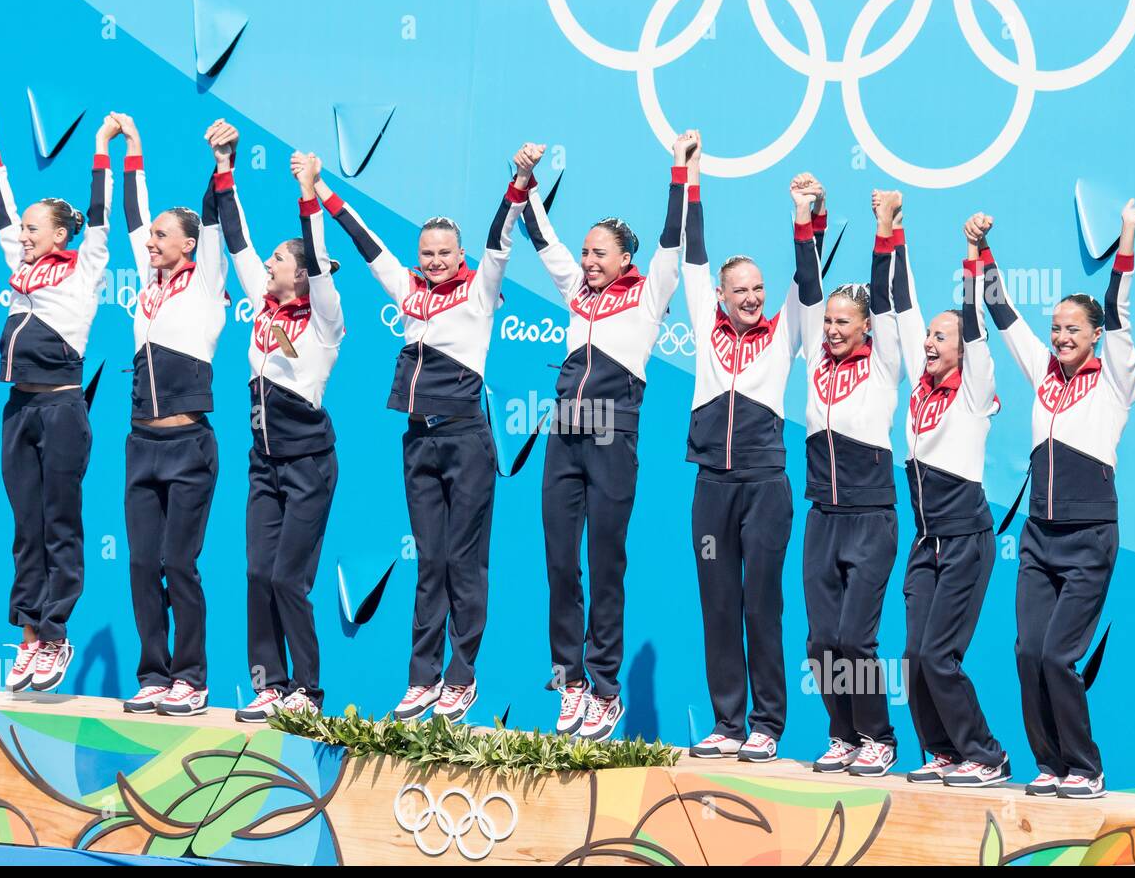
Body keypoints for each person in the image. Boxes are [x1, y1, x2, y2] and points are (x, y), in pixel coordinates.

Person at [317, 145, 535, 724]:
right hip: (417, 441)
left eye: (444, 253)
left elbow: (501, 241)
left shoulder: (480, 289)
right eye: (427, 253)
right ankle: (422, 680)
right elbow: (368, 246)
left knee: (465, 562)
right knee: (429, 562)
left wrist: (517, 181)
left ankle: (461, 677)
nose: (435, 261)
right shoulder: (408, 292)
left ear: (459, 255)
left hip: (466, 439)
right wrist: (320, 192)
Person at [982, 197, 1135, 799]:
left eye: (1071, 329)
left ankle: (1086, 766)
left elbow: (1118, 307)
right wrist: (980, 250)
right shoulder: (1042, 371)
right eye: (1055, 327)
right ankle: (1052, 764)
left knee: (1060, 657)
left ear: (1096, 338)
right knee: (1028, 652)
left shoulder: (1115, 378)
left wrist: (1127, 236)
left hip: (1088, 538)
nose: (1059, 337)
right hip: (1038, 537)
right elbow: (1001, 311)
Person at [518, 135, 691, 742]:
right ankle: (568, 682)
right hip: (565, 432)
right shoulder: (576, 293)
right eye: (587, 252)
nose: (588, 261)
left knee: (604, 562)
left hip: (614, 434)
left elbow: (673, 243)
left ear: (624, 259)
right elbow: (544, 242)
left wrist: (680, 171)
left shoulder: (647, 298)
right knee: (560, 560)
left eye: (600, 254)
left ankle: (605, 689)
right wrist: (526, 182)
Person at [203, 121, 345, 722]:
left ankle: (307, 693)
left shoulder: (324, 319)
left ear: (304, 271)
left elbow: (314, 253)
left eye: (281, 259)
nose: (269, 263)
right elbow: (236, 239)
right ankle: (269, 683)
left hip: (309, 463)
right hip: (263, 461)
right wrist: (224, 167)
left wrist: (309, 194)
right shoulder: (262, 304)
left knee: (289, 579)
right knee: (258, 573)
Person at [0, 106, 117, 694]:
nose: (24, 236)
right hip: (20, 411)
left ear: (60, 234)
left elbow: (103, 217)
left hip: (61, 410)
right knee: (25, 527)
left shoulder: (82, 269)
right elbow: (2, 208)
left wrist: (104, 147)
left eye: (36, 230)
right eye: (24, 231)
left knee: (60, 525)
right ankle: (30, 636)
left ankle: (56, 633)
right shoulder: (21, 266)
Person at [678, 133, 797, 763]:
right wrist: (690, 175)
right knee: (718, 603)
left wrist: (806, 219)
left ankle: (767, 724)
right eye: (739, 290)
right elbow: (694, 257)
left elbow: (808, 286)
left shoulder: (784, 335)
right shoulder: (706, 324)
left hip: (765, 488)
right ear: (722, 298)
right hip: (712, 487)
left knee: (762, 606)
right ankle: (727, 724)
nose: (750, 297)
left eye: (757, 288)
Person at [115, 114, 229, 717]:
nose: (153, 241)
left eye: (165, 236)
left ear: (188, 244)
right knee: (140, 563)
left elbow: (215, 221)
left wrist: (222, 164)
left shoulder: (208, 280)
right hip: (141, 445)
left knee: (178, 563)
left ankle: (191, 677)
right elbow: (135, 217)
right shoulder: (149, 279)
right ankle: (154, 675)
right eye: (154, 236)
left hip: (189, 447)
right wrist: (134, 147)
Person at [894, 210, 1009, 787]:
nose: (931, 343)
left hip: (966, 539)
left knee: (941, 656)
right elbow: (901, 300)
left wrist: (973, 253)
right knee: (915, 659)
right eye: (929, 338)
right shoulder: (918, 389)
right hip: (925, 542)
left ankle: (986, 755)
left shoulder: (974, 393)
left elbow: (975, 325)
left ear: (963, 351)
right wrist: (892, 230)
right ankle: (941, 751)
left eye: (942, 338)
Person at [793, 179, 903, 777]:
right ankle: (843, 736)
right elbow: (808, 286)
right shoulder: (815, 355)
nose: (833, 329)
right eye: (829, 321)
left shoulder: (884, 364)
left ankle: (878, 737)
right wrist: (806, 215)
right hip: (822, 518)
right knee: (821, 642)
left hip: (870, 517)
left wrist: (885, 230)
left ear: (864, 327)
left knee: (858, 640)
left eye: (844, 322)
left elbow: (884, 298)